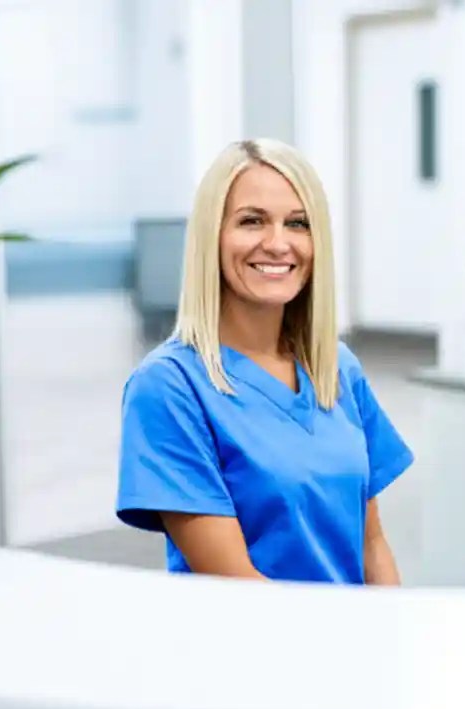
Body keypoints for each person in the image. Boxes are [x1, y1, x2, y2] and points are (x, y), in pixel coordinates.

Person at [115, 138, 413, 584]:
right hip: (253, 645)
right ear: (211, 237)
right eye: (252, 221)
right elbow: (239, 586)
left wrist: (394, 635)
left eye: (298, 223)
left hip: (354, 643)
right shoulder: (169, 387)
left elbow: (371, 545)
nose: (278, 244)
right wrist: (347, 647)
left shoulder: (335, 367)